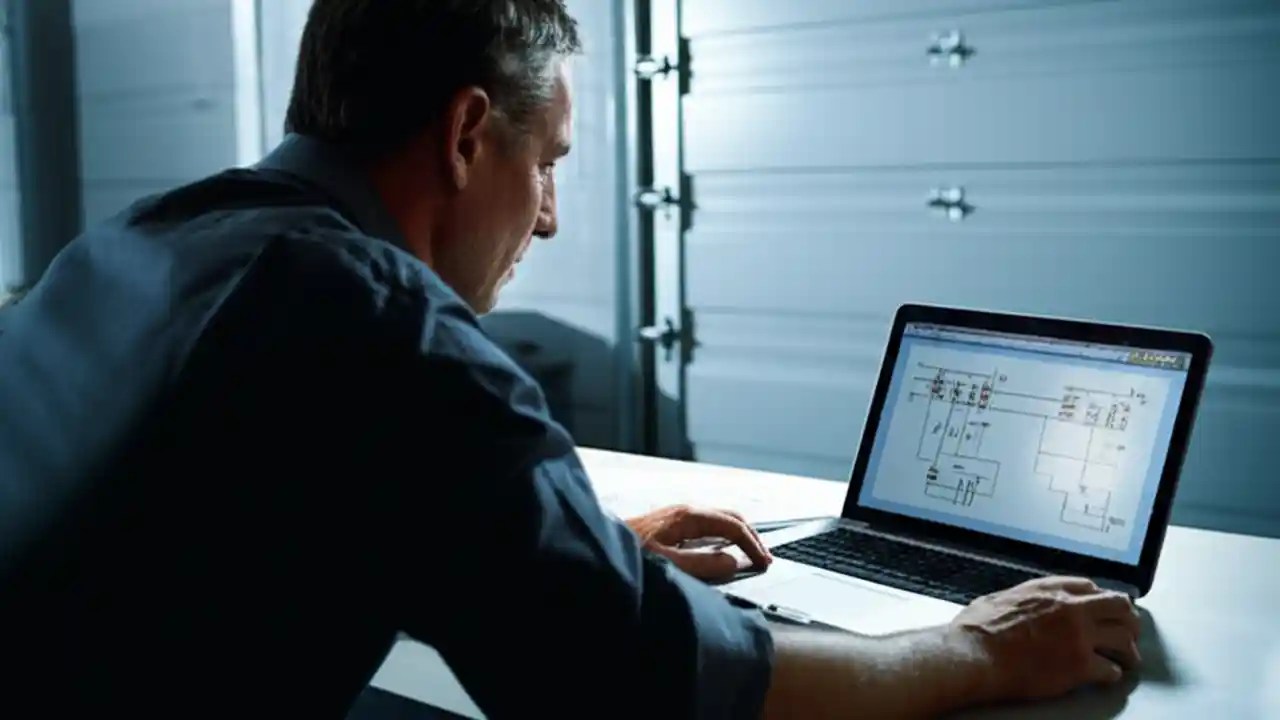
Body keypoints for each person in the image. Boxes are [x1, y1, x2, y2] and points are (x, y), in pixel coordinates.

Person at [0, 1, 1141, 717]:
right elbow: (662, 686)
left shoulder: (146, 240)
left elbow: (204, 545)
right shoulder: (375, 314)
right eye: (545, 163)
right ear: (462, 135)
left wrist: (558, 550)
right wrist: (975, 652)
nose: (545, 217)